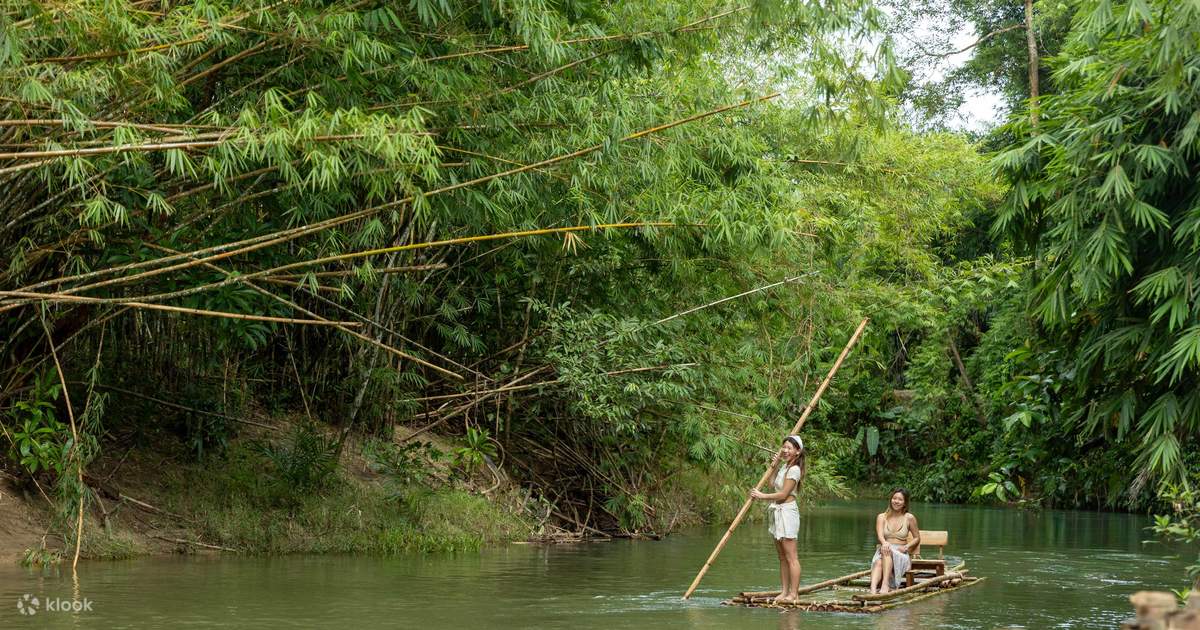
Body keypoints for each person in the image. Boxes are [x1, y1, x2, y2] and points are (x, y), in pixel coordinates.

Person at [749, 435, 806, 604]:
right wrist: (773, 467)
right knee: (781, 557)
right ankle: (784, 591)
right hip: (777, 512)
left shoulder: (794, 469)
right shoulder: (784, 467)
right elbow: (773, 484)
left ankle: (794, 594)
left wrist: (760, 496)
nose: (786, 451)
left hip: (787, 513)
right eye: (784, 447)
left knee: (791, 557)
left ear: (797, 451)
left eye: (789, 448)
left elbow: (783, 494)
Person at [869, 487, 920, 595]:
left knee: (886, 552)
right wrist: (884, 542)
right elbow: (880, 535)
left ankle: (885, 584)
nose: (896, 501)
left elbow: (917, 538)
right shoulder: (882, 517)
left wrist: (907, 546)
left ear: (905, 502)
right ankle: (873, 590)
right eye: (894, 498)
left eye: (900, 499)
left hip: (901, 553)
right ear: (891, 499)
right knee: (879, 560)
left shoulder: (909, 517)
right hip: (885, 548)